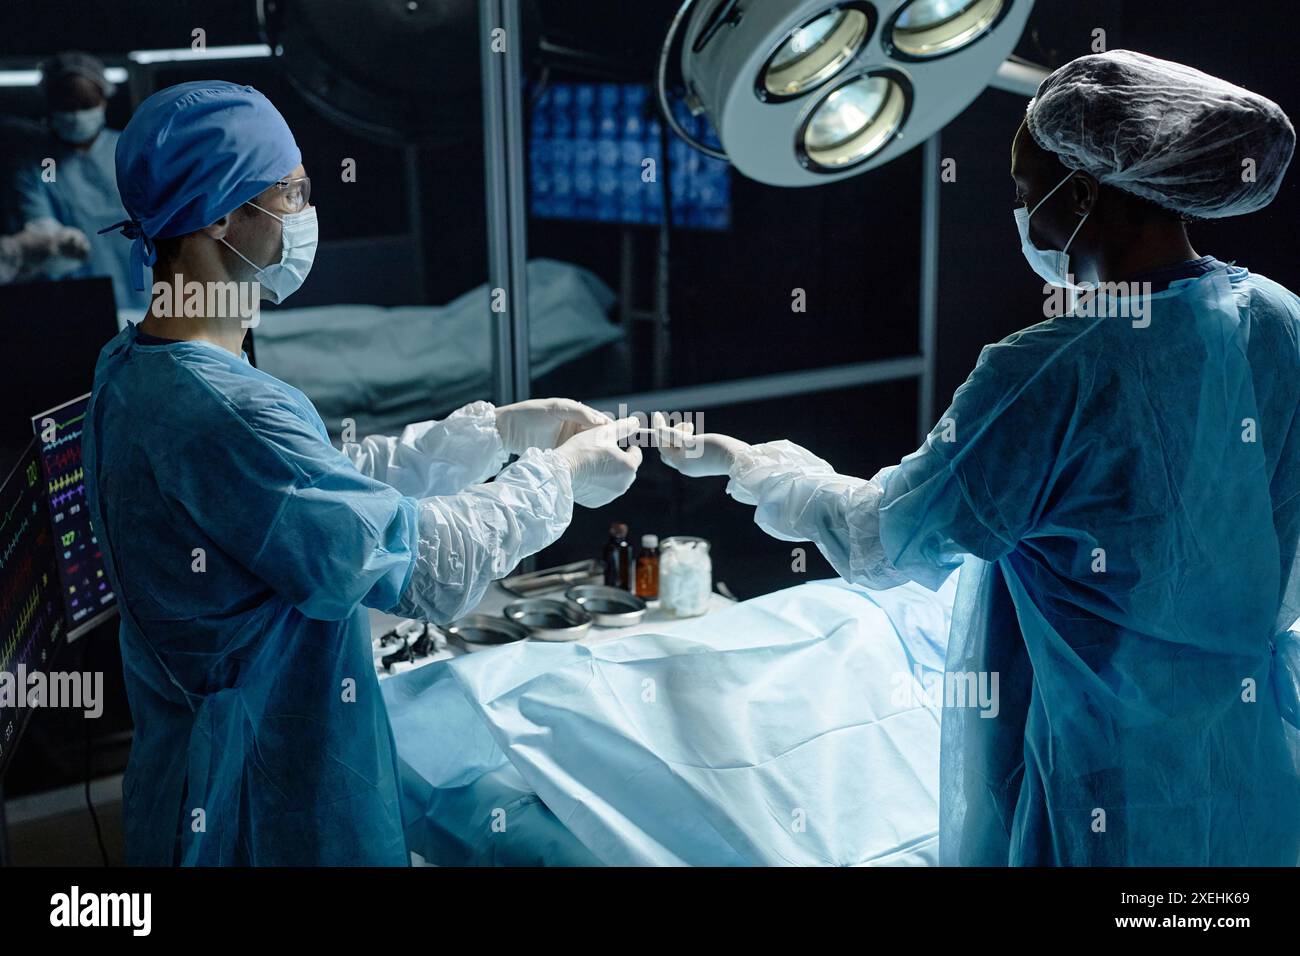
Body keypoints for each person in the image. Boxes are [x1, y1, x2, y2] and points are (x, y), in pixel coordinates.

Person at [655, 50, 1300, 866]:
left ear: (1086, 190)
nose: (1024, 215)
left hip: (1106, 784)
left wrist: (754, 466)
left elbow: (881, 539)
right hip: (1251, 761)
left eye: (1029, 194)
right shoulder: (1281, 320)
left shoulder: (1052, 369)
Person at [84, 80, 643, 865]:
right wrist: (557, 478)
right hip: (265, 801)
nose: (306, 213)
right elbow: (418, 566)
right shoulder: (222, 407)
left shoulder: (134, 367)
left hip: (202, 767)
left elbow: (323, 481)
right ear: (219, 214)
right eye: (293, 192)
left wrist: (494, 434)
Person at [9, 51, 148, 311]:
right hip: (81, 300)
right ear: (50, 106)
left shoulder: (134, 150)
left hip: (153, 292)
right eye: (67, 106)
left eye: (85, 105)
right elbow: (41, 233)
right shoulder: (35, 168)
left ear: (103, 101)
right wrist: (56, 244)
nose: (76, 115)